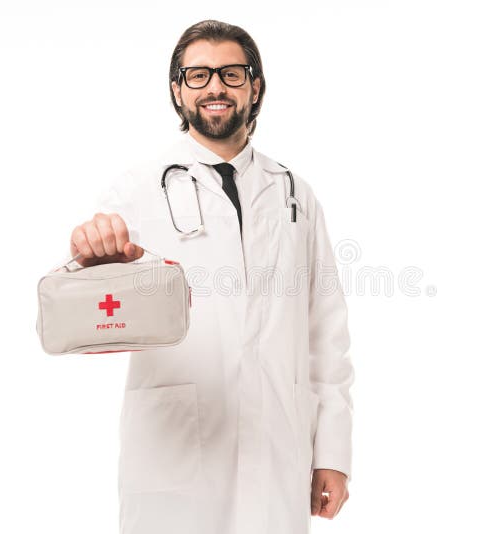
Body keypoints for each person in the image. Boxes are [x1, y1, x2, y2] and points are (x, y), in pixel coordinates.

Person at [67, 19, 354, 534]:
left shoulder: (294, 195)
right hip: (175, 444)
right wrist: (90, 253)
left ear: (254, 87)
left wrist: (331, 451)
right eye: (197, 75)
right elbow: (83, 314)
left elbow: (326, 333)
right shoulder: (136, 190)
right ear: (177, 89)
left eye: (231, 73)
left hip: (277, 447)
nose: (215, 87)